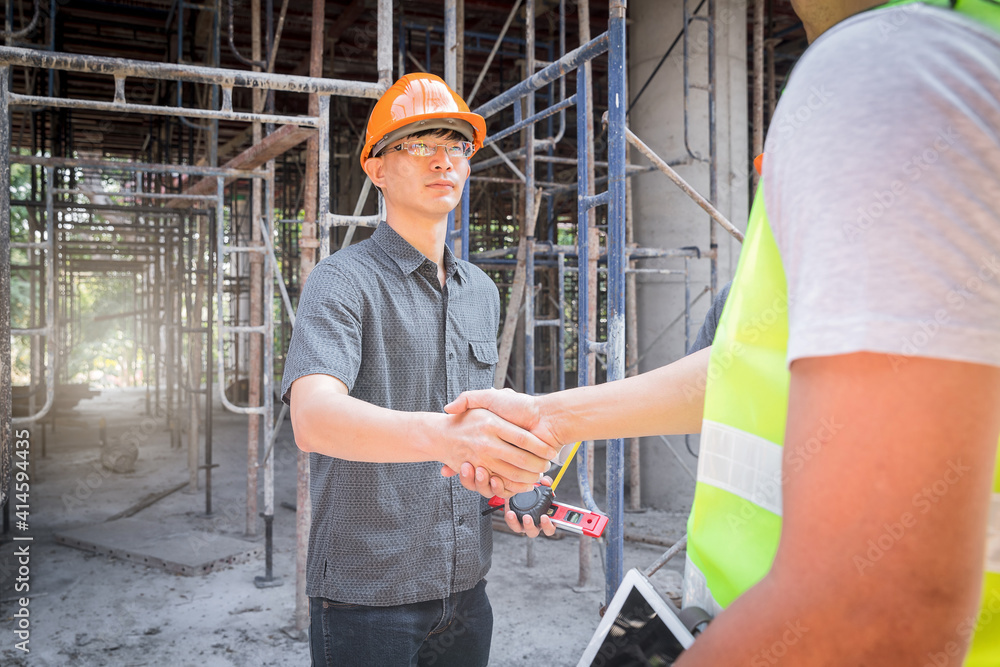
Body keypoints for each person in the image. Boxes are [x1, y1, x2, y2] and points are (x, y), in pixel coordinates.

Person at [445, 0, 1000, 664]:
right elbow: (756, 369)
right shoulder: (946, 58)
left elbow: (871, 616)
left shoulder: (892, 67)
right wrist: (552, 416)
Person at [281, 73, 561, 667]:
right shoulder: (342, 281)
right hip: (367, 596)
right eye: (418, 144)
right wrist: (445, 434)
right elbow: (313, 418)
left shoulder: (480, 291)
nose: (444, 161)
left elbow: (478, 420)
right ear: (377, 169)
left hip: (466, 589)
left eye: (456, 147)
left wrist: (515, 480)